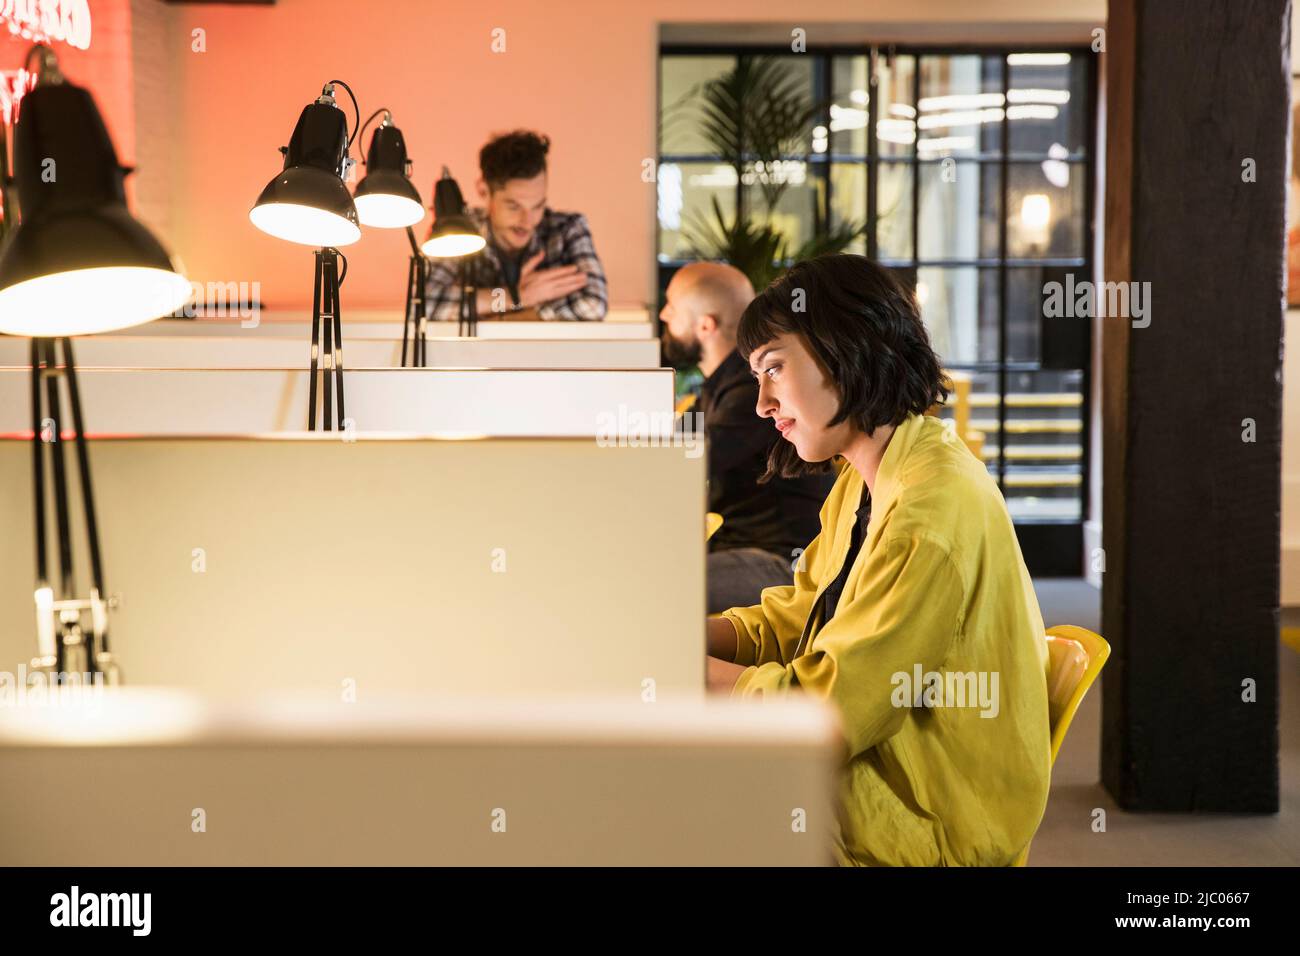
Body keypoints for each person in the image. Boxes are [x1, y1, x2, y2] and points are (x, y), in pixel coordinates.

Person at [704, 254, 1051, 866]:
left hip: (925, 819)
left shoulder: (929, 508)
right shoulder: (869, 475)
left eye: (774, 368)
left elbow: (828, 719)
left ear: (847, 348)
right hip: (880, 775)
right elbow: (802, 616)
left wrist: (690, 674)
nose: (762, 403)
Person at [660, 262, 832, 613]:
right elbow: (670, 448)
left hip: (779, 563)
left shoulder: (748, 392)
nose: (663, 315)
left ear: (705, 325)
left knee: (650, 588)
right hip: (740, 549)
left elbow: (680, 460)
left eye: (672, 308)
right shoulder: (718, 387)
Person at [425, 130, 607, 320]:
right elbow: (425, 303)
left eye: (538, 206)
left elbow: (594, 306)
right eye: (514, 207)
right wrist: (515, 297)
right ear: (484, 191)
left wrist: (502, 315)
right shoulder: (456, 230)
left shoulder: (567, 229)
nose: (528, 222)